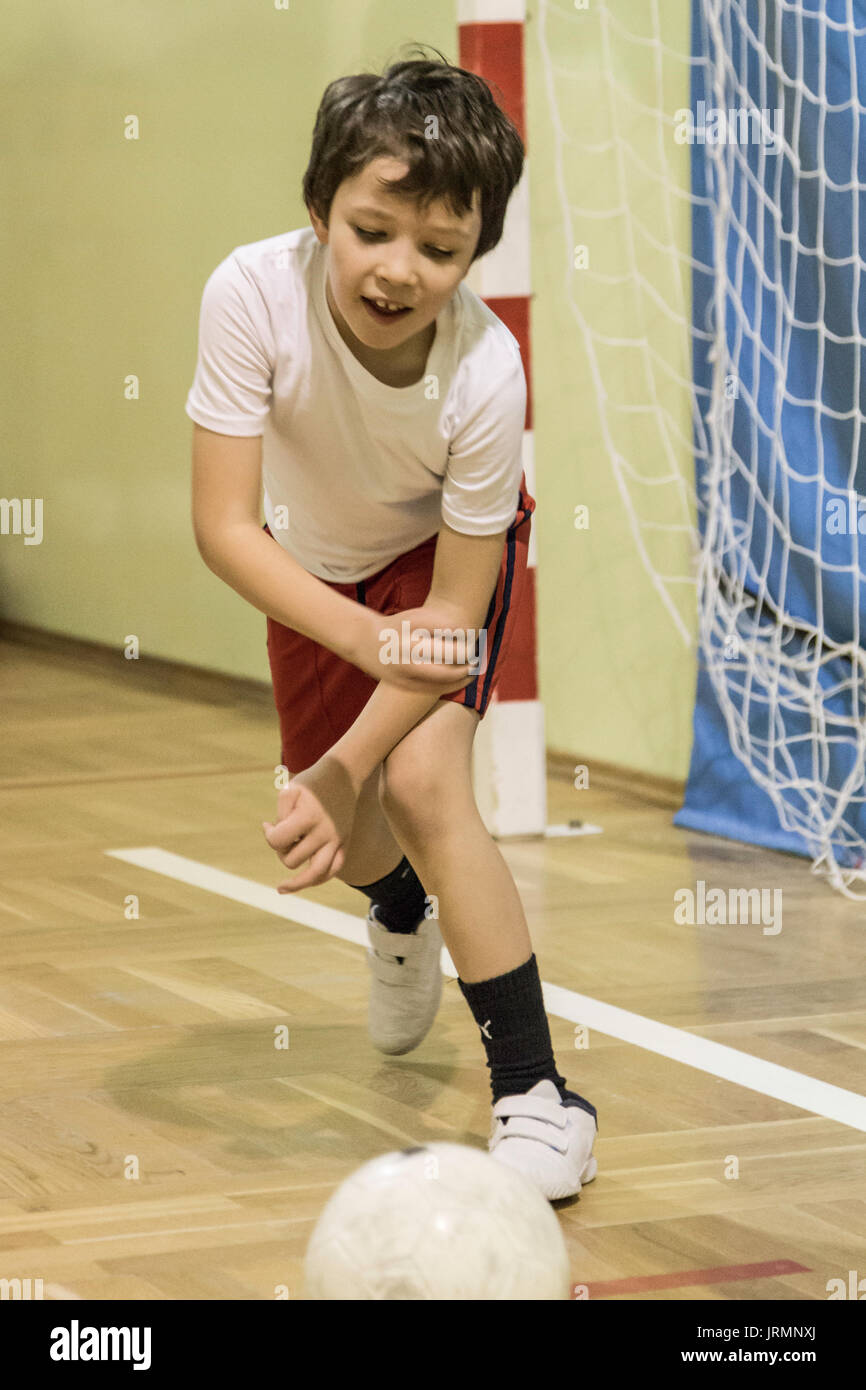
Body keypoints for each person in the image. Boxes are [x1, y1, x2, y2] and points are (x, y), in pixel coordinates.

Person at [185, 49, 597, 1201]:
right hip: (307, 564)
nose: (398, 269)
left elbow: (456, 613)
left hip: (433, 568)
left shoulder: (484, 372)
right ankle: (398, 907)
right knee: (356, 842)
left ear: (474, 256)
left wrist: (351, 756)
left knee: (416, 786)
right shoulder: (247, 292)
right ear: (318, 210)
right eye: (372, 230)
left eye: (439, 249)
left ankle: (535, 1094)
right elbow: (222, 526)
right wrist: (348, 686)